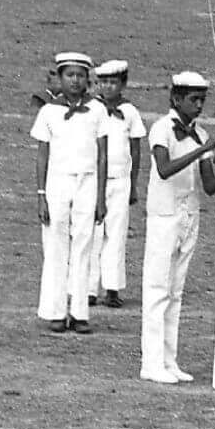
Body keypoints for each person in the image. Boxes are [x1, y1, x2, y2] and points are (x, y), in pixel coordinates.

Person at [138, 72, 215, 384]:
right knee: (157, 289)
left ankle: (169, 360)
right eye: (194, 99)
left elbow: (210, 185)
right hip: (164, 217)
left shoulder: (200, 134)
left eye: (202, 99)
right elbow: (164, 169)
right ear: (177, 99)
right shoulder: (162, 128)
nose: (199, 105)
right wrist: (203, 150)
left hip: (189, 215)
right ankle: (151, 363)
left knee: (175, 291)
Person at [30, 52, 108, 334]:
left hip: (87, 181)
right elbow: (42, 155)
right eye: (69, 75)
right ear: (60, 78)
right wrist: (41, 195)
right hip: (58, 182)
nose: (75, 81)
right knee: (55, 245)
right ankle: (56, 311)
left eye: (80, 76)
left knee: (84, 245)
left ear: (88, 79)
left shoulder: (97, 110)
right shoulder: (49, 111)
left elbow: (102, 155)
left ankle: (79, 312)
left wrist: (100, 197)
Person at [88, 60, 146, 310]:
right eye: (104, 82)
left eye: (113, 82)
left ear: (123, 84)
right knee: (92, 234)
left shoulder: (129, 111)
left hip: (120, 180)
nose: (108, 87)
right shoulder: (91, 108)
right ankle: (89, 288)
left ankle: (112, 288)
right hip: (93, 179)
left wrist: (133, 183)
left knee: (117, 233)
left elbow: (136, 149)